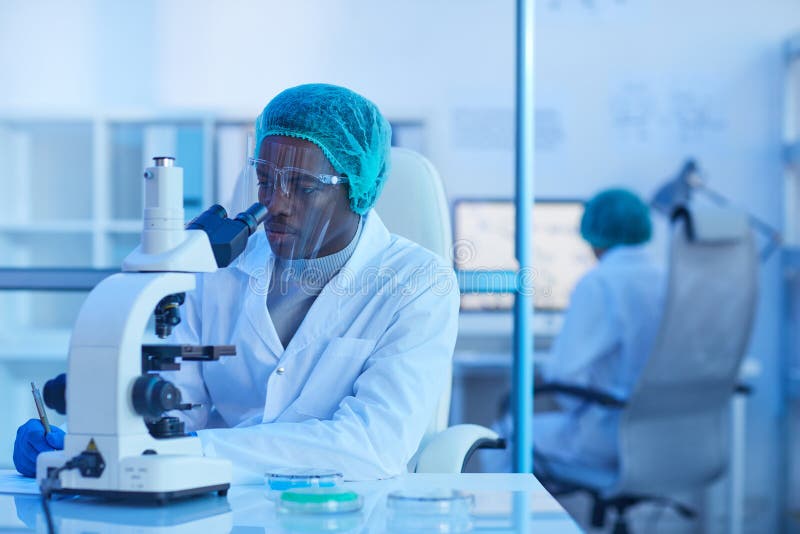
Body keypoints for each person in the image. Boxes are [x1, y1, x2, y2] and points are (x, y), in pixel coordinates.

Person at [13, 83, 460, 482]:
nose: (275, 204)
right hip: (216, 506)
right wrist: (90, 440)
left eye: (302, 187)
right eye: (265, 180)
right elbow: (175, 406)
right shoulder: (221, 266)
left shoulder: (417, 283)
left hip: (343, 513)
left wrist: (197, 450)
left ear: (356, 191)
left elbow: (371, 447)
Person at [483, 188, 666, 473]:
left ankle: (529, 518)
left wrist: (577, 403)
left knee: (501, 439)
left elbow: (562, 374)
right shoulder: (667, 279)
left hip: (609, 434)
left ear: (594, 236)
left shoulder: (600, 282)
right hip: (663, 435)